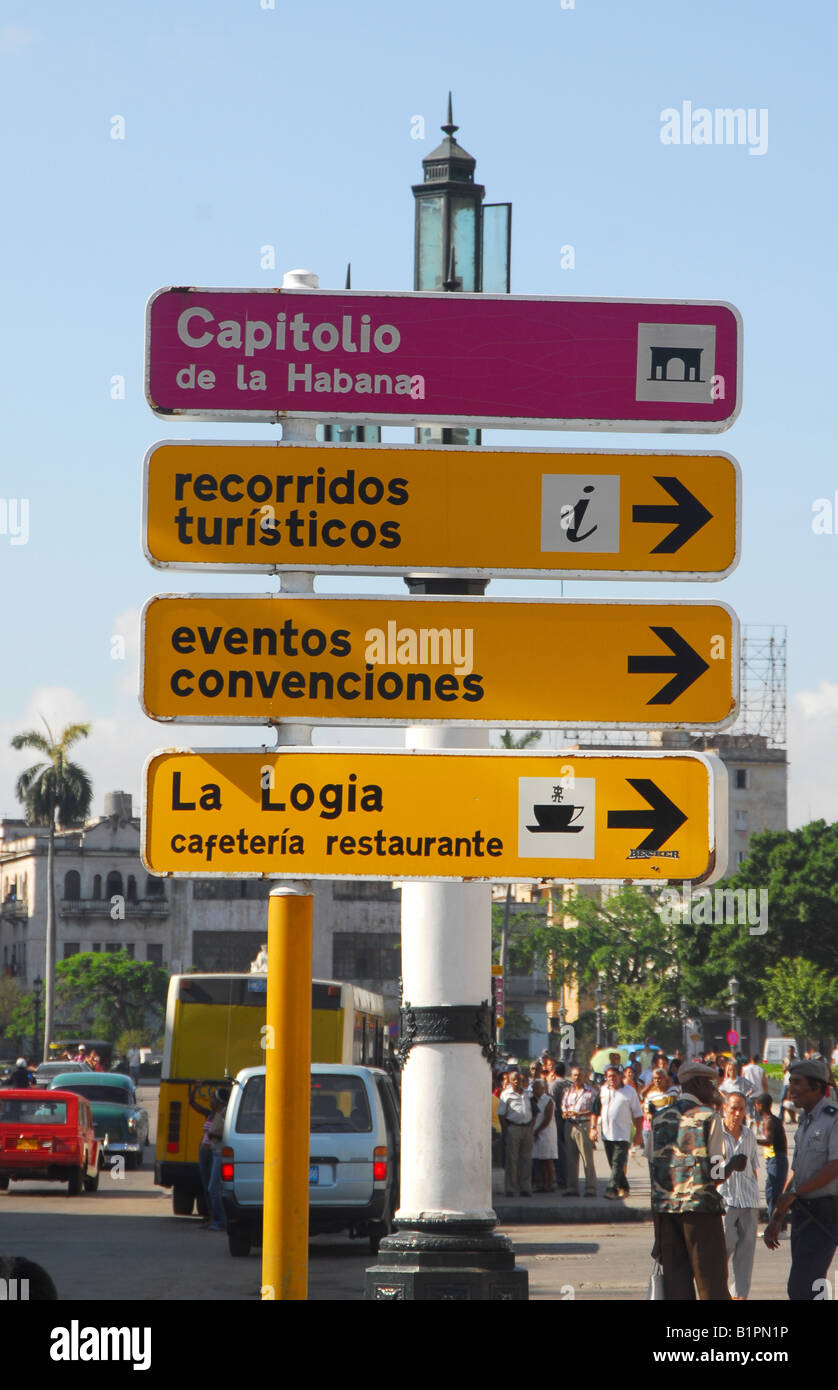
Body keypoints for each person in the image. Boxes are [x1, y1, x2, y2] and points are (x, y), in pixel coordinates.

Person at [650, 1060, 748, 1301]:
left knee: (676, 1286)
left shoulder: (659, 1118)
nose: (713, 1090)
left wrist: (658, 1231)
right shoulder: (709, 1117)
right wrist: (733, 1165)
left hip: (666, 1214)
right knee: (711, 1284)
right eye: (709, 1084)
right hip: (700, 1212)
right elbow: (714, 1174)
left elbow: (655, 1173)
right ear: (696, 1084)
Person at [763, 1056, 838, 1300]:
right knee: (804, 1285)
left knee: (804, 1286)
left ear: (816, 1086)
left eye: (797, 1082)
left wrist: (795, 1192)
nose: (791, 1089)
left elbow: (835, 1166)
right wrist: (778, 1214)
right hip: (804, 1214)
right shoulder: (805, 1121)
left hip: (826, 1214)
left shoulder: (832, 1119)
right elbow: (797, 1171)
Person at [720, 1093, 760, 1299]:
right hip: (725, 1201)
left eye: (741, 1109)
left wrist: (757, 1198)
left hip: (749, 1201)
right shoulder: (715, 1134)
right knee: (721, 1252)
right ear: (724, 1107)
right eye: (733, 1108)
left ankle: (740, 1295)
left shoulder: (749, 1135)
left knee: (745, 1253)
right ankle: (718, 1292)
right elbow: (710, 1171)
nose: (737, 1113)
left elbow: (754, 1169)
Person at [590, 1065, 642, 1199]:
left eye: (614, 1076)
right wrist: (593, 1128)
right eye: (608, 1076)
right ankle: (624, 1187)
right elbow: (594, 1111)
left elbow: (638, 1114)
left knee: (618, 1162)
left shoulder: (630, 1092)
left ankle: (611, 1189)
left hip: (623, 1134)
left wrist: (638, 1134)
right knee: (613, 1164)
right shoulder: (603, 1091)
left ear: (620, 1076)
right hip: (607, 1134)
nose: (611, 1079)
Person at [561, 1064, 598, 1197]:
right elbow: (563, 1107)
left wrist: (579, 1112)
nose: (577, 1078)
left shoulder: (591, 1092)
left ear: (584, 1076)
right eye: (575, 1075)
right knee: (571, 1158)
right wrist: (566, 1113)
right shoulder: (567, 1091)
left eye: (580, 1075)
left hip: (584, 1124)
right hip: (570, 1125)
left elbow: (595, 1110)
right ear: (571, 1077)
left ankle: (590, 1187)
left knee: (587, 1157)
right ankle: (572, 1188)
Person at [497, 1070, 534, 1198]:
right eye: (515, 1079)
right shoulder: (506, 1095)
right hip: (513, 1128)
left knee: (526, 1159)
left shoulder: (528, 1094)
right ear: (511, 1081)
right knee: (512, 1159)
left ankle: (525, 1187)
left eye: (520, 1079)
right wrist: (507, 1129)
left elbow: (534, 1110)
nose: (518, 1082)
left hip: (527, 1128)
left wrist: (531, 1125)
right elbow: (501, 1114)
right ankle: (510, 1188)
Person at [754, 1092, 788, 1221]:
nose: (756, 1107)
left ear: (761, 1106)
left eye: (757, 1105)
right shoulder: (771, 1119)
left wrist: (752, 1139)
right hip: (773, 1160)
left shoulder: (769, 1122)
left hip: (776, 1160)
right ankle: (777, 1224)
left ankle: (776, 1225)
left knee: (773, 1193)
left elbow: (769, 1141)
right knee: (772, 1193)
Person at [531, 1078, 558, 1192]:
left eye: (537, 1088)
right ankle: (543, 1183)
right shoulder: (532, 1100)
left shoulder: (548, 1100)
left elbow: (547, 1118)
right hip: (536, 1132)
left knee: (548, 1160)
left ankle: (550, 1183)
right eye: (534, 1088)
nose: (534, 1090)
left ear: (543, 1089)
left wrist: (537, 1131)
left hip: (546, 1133)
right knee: (540, 1159)